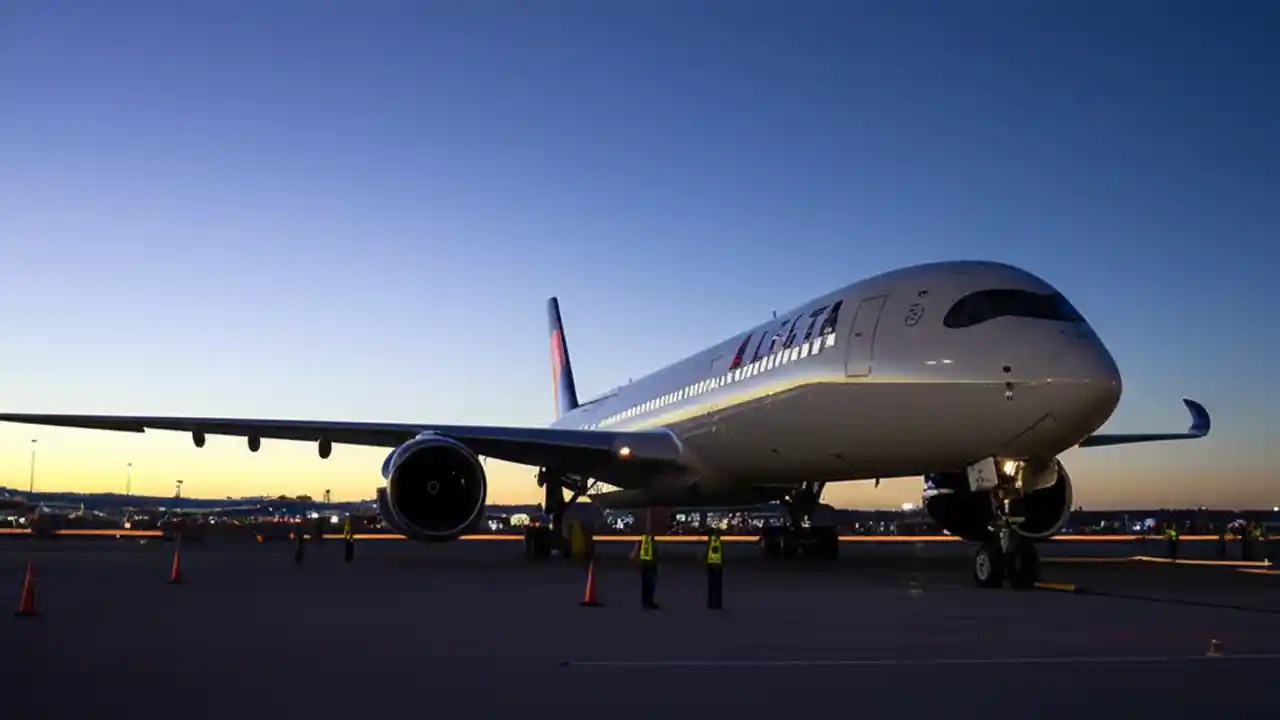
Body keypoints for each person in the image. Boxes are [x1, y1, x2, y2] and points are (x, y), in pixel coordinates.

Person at [637, 533, 658, 609]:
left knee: (648, 583)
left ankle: (647, 602)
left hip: (649, 562)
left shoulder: (647, 538)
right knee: (649, 583)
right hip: (648, 563)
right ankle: (647, 602)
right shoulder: (647, 538)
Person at [705, 532, 724, 610]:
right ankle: (718, 604)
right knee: (718, 587)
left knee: (711, 586)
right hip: (718, 566)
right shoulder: (719, 542)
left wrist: (704, 562)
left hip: (711, 565)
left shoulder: (711, 542)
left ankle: (711, 604)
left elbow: (707, 553)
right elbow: (722, 554)